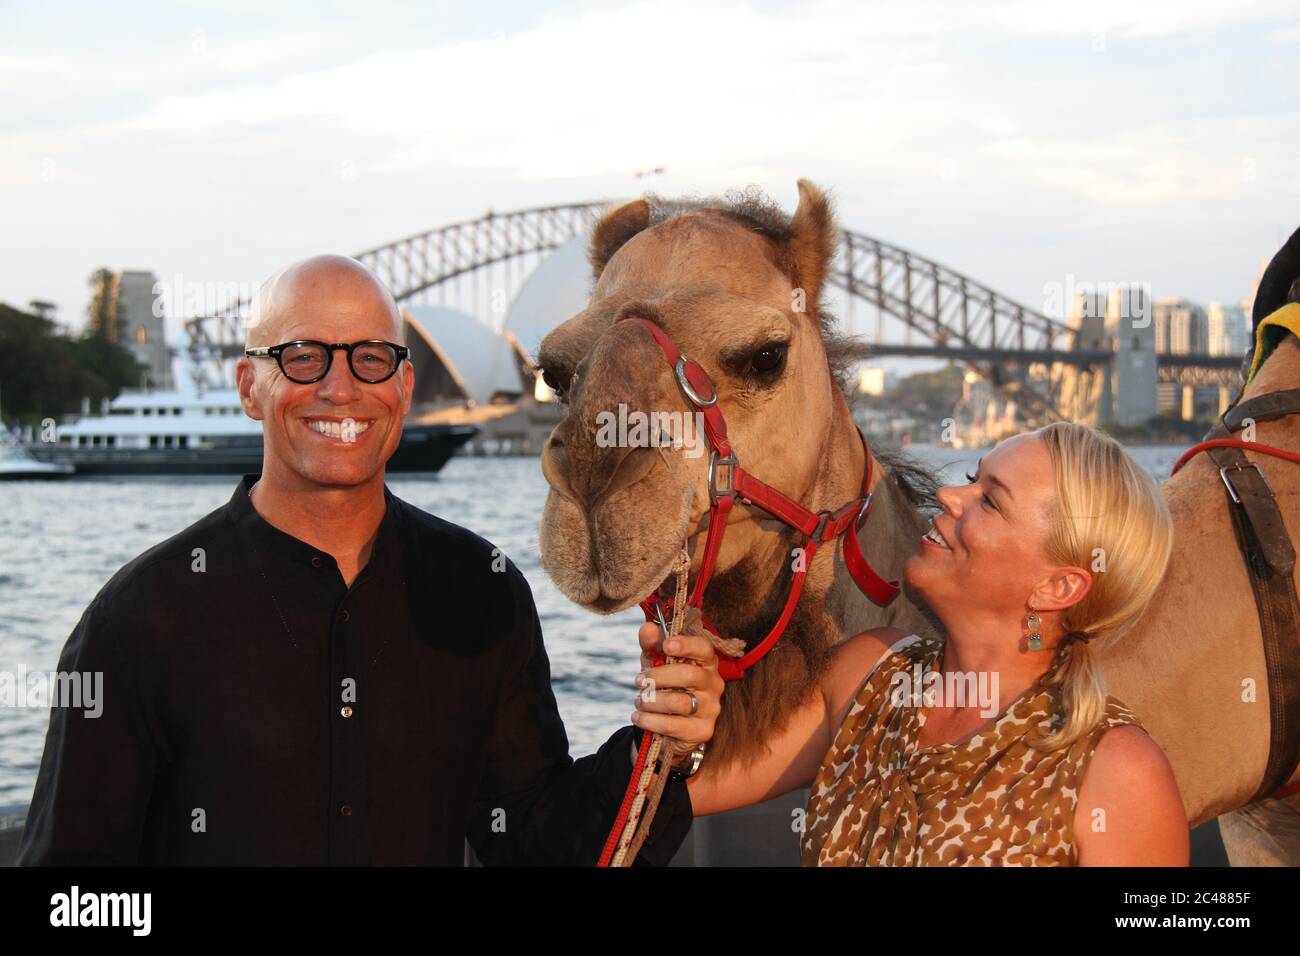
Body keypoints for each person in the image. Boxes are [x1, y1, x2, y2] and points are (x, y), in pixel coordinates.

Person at [19, 254, 723, 866]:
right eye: (302, 356)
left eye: (371, 357)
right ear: (247, 388)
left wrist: (660, 743)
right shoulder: (140, 619)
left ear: (404, 387)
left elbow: (535, 843)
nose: (340, 387)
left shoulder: (479, 592)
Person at [651, 422, 1188, 865]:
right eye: (972, 479)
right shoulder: (869, 674)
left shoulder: (1116, 769)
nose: (950, 495)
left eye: (990, 502)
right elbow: (674, 797)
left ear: (1058, 587)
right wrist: (691, 721)